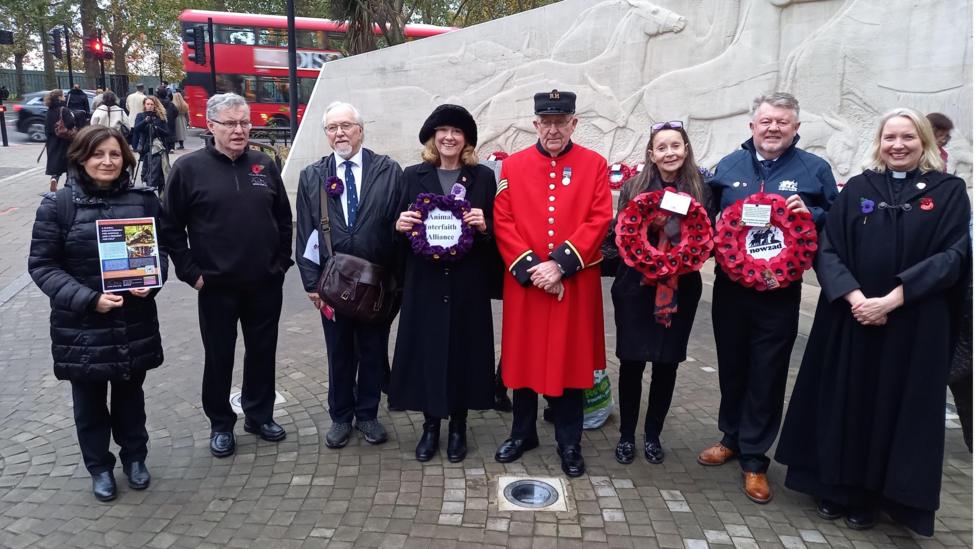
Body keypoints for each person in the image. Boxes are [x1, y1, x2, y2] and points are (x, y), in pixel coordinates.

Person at [774, 108, 971, 535]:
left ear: (925, 142)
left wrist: (894, 298)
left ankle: (876, 498)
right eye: (889, 138)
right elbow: (830, 248)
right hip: (852, 317)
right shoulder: (860, 187)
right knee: (847, 400)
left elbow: (953, 257)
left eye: (908, 137)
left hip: (914, 324)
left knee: (893, 408)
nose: (898, 145)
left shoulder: (950, 191)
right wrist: (857, 297)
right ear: (879, 143)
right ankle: (836, 487)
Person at [699, 92, 837, 504]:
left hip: (779, 292)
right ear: (752, 127)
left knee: (768, 370)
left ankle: (756, 459)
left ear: (796, 128)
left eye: (782, 122)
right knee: (732, 363)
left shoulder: (815, 170)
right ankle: (731, 437)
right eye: (766, 121)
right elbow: (704, 218)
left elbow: (838, 220)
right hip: (731, 288)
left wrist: (810, 214)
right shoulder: (729, 166)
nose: (773, 128)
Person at [28, 125, 166, 502]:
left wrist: (151, 281)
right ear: (81, 157)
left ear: (125, 159)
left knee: (130, 397)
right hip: (82, 326)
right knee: (88, 404)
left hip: (131, 321)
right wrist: (89, 299)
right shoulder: (58, 205)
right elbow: (42, 266)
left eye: (115, 154)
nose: (107, 161)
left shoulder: (143, 200)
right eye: (98, 154)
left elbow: (161, 250)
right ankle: (99, 467)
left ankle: (135, 458)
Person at [159, 93, 294, 458]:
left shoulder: (263, 164)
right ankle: (221, 423)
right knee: (219, 356)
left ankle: (259, 414)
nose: (239, 130)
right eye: (230, 123)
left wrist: (281, 262)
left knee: (262, 352)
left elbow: (283, 217)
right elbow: (170, 227)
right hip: (216, 285)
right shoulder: (188, 169)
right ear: (211, 125)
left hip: (265, 281)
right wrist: (192, 273)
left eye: (245, 122)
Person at [492, 90, 612, 477]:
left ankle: (570, 442)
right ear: (536, 124)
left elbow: (599, 219)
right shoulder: (512, 166)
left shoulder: (594, 164)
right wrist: (532, 268)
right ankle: (523, 433)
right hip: (526, 284)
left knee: (570, 362)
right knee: (523, 358)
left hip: (573, 283)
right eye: (547, 122)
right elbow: (503, 221)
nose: (553, 129)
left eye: (561, 121)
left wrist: (559, 266)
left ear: (574, 123)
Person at [389, 104, 500, 462]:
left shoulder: (482, 177)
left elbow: (496, 234)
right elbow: (396, 231)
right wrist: (399, 226)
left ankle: (458, 427)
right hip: (426, 283)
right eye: (443, 131)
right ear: (432, 137)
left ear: (466, 139)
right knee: (430, 351)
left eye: (457, 132)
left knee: (464, 352)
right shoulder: (411, 176)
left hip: (467, 282)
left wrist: (485, 227)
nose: (449, 137)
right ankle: (431, 425)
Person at [604, 121, 716, 465]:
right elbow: (619, 235)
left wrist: (682, 252)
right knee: (632, 362)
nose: (670, 153)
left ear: (686, 149)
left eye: (676, 146)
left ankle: (653, 435)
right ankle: (626, 436)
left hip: (679, 288)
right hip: (636, 286)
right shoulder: (634, 187)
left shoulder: (701, 188)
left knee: (667, 364)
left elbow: (707, 241)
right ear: (651, 154)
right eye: (662, 147)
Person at [295, 102, 404, 449]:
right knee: (339, 351)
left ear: (360, 129)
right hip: (333, 284)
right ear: (326, 134)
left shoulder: (389, 170)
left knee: (373, 350)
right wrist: (311, 285)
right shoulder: (313, 175)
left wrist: (399, 282)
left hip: (378, 284)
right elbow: (306, 234)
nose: (339, 133)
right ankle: (341, 417)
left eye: (346, 126)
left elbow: (401, 226)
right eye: (332, 128)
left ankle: (368, 415)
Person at [131, 96, 170, 191]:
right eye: (148, 104)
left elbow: (167, 132)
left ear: (155, 106)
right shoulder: (140, 115)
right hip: (145, 146)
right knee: (148, 166)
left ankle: (158, 186)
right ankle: (149, 182)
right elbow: (136, 129)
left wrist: (156, 128)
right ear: (144, 105)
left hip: (158, 147)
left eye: (152, 104)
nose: (150, 106)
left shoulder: (160, 116)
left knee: (158, 168)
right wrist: (145, 121)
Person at [44, 89, 75, 192]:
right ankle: (68, 185)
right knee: (69, 164)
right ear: (59, 97)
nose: (65, 97)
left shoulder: (49, 110)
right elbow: (70, 123)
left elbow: (47, 127)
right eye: (63, 96)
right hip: (65, 140)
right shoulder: (64, 109)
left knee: (56, 164)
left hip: (53, 141)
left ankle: (54, 179)